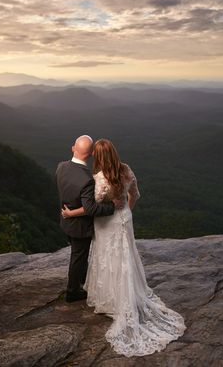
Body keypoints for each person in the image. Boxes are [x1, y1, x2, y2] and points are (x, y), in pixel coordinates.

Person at [62, 138, 186, 357]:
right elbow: (134, 194)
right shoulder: (127, 170)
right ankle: (127, 294)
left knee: (106, 258)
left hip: (106, 223)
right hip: (124, 220)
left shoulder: (99, 178)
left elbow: (92, 207)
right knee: (125, 257)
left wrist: (71, 213)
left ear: (98, 157)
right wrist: (125, 212)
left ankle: (110, 298)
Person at [55, 134, 115, 303]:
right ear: (89, 155)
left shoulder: (61, 167)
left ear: (73, 148)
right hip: (80, 226)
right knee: (78, 258)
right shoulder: (87, 179)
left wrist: (69, 212)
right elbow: (90, 208)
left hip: (66, 221)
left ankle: (82, 280)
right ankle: (72, 291)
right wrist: (112, 207)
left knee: (77, 255)